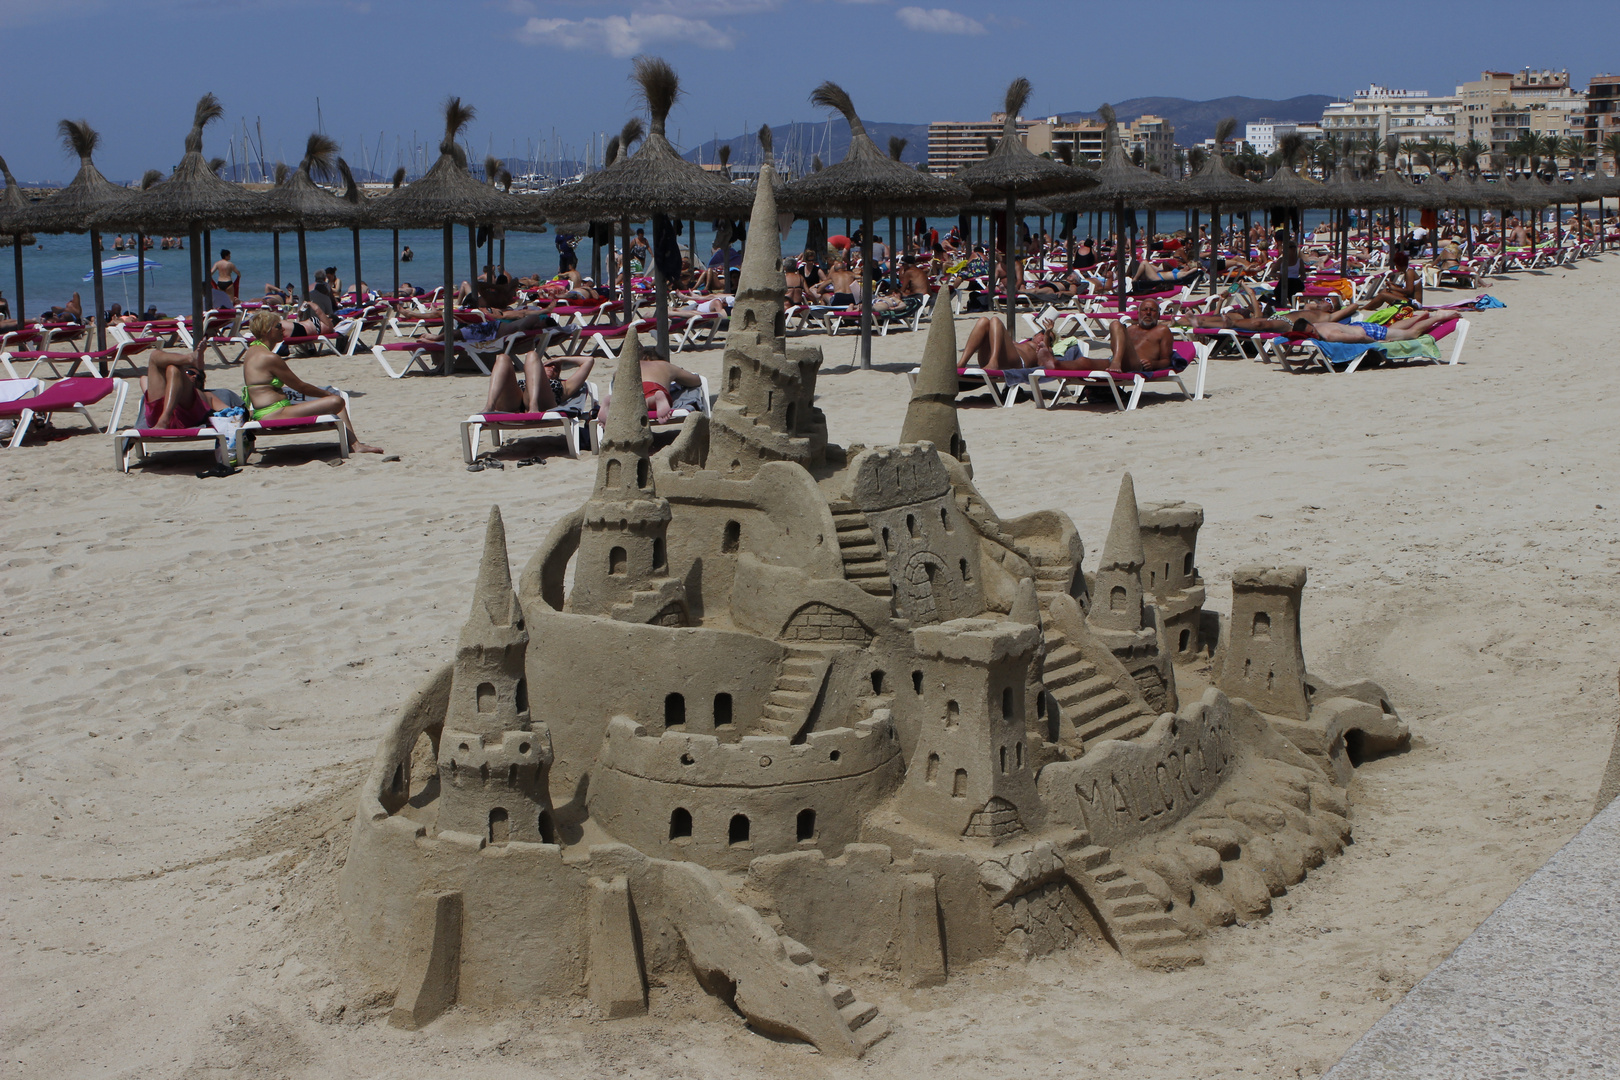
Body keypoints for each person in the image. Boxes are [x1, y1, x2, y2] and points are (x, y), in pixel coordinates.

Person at [239, 311, 381, 453]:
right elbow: (301, 386)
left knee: (332, 399)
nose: (283, 329)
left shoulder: (253, 350)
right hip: (274, 413)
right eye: (278, 326)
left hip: (264, 410)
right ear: (267, 331)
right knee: (337, 401)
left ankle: (354, 444)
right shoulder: (269, 357)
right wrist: (327, 394)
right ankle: (355, 445)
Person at [1054, 299, 1175, 374]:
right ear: (1138, 313)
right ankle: (1056, 365)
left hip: (1137, 365)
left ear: (1158, 315)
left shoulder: (1162, 330)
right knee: (1084, 361)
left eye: (1152, 310)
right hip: (1116, 361)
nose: (1148, 313)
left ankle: (1116, 362)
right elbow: (1115, 347)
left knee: (1116, 324)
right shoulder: (1132, 329)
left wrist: (1153, 364)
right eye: (1145, 309)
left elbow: (1166, 360)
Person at [482, 348, 594, 416]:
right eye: (549, 365)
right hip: (514, 403)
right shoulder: (524, 381)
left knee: (532, 354)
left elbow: (589, 360)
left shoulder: (564, 386)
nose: (553, 368)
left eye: (556, 369)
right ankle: (490, 405)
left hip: (544, 404)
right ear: (539, 366)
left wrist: (561, 359)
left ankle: (533, 404)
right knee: (503, 358)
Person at [139, 345, 226, 429]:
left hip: (185, 419)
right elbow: (144, 379)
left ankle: (165, 419)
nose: (195, 377)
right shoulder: (167, 387)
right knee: (154, 355)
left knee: (174, 369)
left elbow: (228, 411)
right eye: (191, 373)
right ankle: (189, 358)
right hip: (156, 418)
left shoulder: (207, 395)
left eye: (199, 378)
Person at [1292, 301, 1450, 344]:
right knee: (1389, 329)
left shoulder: (1330, 335)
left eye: (1312, 332)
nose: (1314, 335)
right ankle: (1420, 317)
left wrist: (1378, 342)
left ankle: (1438, 317)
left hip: (1365, 332)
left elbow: (1360, 337)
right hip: (1357, 327)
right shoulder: (1316, 326)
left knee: (1412, 334)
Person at [958, 316, 1054, 369]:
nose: (1043, 336)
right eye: (1042, 333)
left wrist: (1047, 333)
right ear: (1035, 335)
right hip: (993, 357)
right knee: (983, 320)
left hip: (1016, 363)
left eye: (1049, 338)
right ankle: (962, 363)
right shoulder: (1019, 343)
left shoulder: (1046, 350)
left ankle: (994, 362)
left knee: (995, 320)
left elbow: (1045, 358)